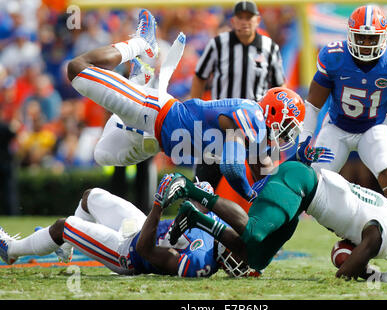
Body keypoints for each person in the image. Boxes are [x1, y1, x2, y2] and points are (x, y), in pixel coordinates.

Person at [66, 9, 331, 202]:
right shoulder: (253, 117)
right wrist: (251, 195)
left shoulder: (259, 137)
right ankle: (140, 44)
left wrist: (300, 165)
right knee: (77, 68)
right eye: (287, 127)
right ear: (273, 113)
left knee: (103, 154)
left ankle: (140, 78)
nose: (286, 135)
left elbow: (270, 176)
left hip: (156, 139)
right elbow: (231, 165)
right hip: (156, 112)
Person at [161, 160, 387, 282]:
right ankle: (188, 188)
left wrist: (373, 271)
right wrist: (379, 277)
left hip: (303, 195)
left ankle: (196, 217)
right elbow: (345, 270)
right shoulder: (383, 233)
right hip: (300, 183)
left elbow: (341, 253)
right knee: (254, 232)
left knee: (253, 258)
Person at [0, 178, 255, 278]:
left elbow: (145, 250)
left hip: (128, 255)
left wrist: (158, 203)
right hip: (145, 228)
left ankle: (11, 250)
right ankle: (65, 248)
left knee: (63, 226)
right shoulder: (220, 230)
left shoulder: (200, 262)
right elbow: (212, 208)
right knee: (91, 196)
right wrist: (200, 195)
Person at [304, 5, 387, 208]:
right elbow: (312, 104)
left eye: (372, 38)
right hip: (337, 127)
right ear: (350, 35)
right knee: (310, 184)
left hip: (375, 127)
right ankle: (347, 231)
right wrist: (305, 140)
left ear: (383, 37)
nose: (366, 44)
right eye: (360, 37)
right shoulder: (334, 56)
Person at [190, 0, 286, 190]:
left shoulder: (269, 47)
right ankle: (195, 214)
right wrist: (195, 113)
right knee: (206, 178)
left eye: (248, 17)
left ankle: (271, 216)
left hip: (257, 124)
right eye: (240, 18)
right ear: (233, 21)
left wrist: (276, 127)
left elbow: (279, 88)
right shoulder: (218, 44)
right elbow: (200, 77)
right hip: (220, 122)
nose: (244, 22)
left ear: (257, 20)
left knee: (266, 178)